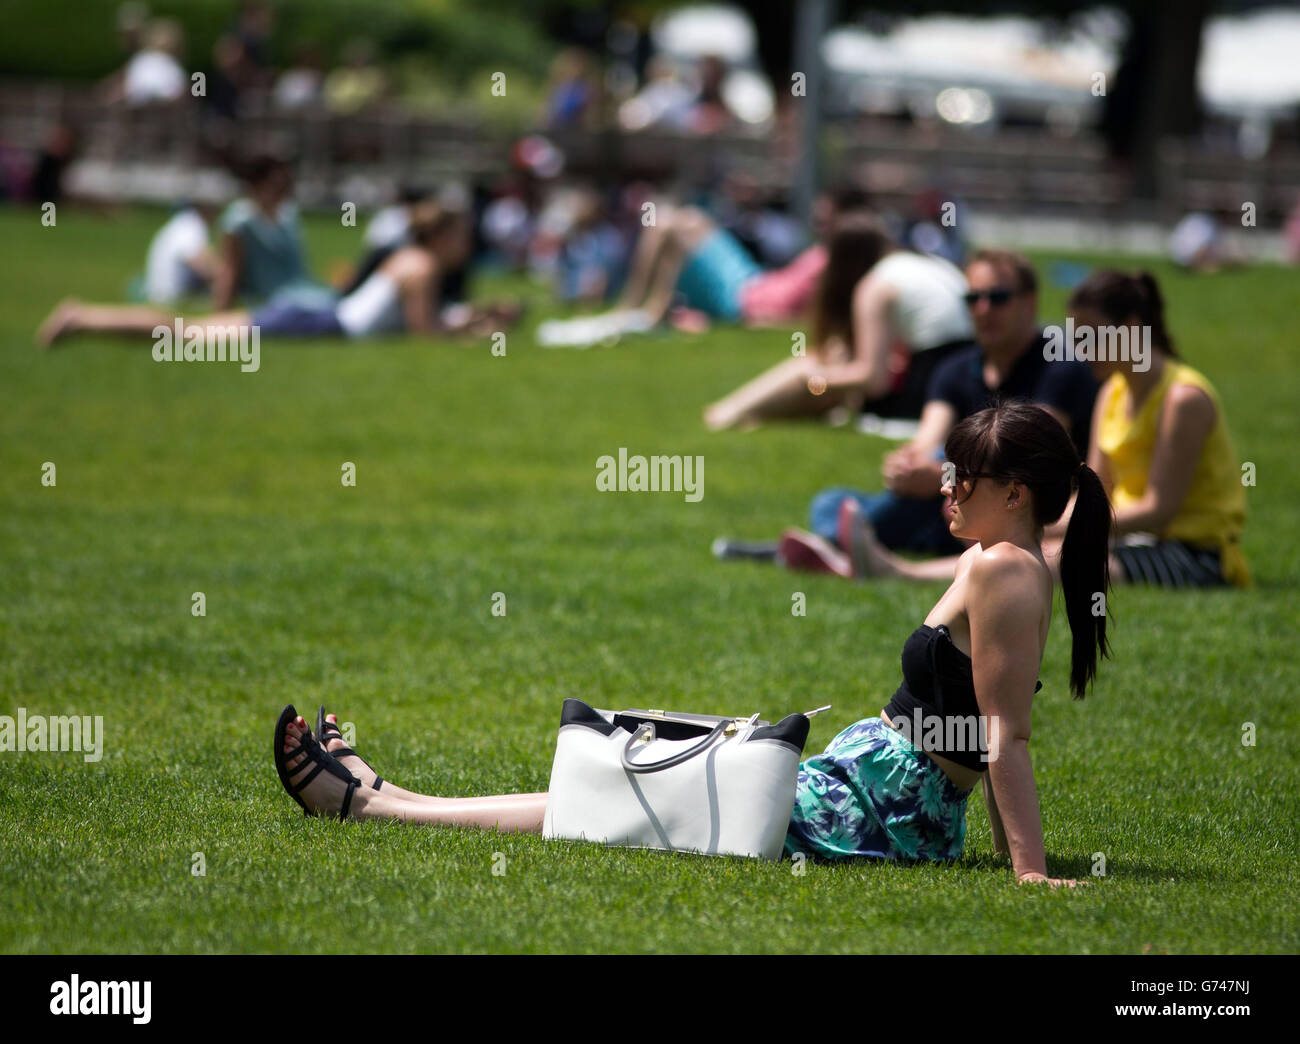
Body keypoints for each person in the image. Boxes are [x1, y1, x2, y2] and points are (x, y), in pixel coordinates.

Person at [273, 402, 1109, 887]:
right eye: (950, 470)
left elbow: (1005, 739)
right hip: (866, 784)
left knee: (642, 795)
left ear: (1017, 491)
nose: (948, 487)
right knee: (653, 765)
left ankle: (370, 804)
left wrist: (1027, 874)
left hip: (880, 813)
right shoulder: (999, 561)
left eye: (965, 477)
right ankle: (381, 793)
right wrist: (1011, 861)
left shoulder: (1005, 571)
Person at [840, 270, 1250, 589]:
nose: (1081, 349)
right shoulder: (1113, 393)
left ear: (1130, 327)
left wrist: (1045, 525)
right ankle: (896, 569)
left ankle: (901, 573)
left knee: (1055, 558)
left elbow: (1159, 510)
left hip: (1193, 555)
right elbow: (1098, 492)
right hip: (1132, 539)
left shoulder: (1183, 399)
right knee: (1024, 548)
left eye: (1090, 336)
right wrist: (1031, 524)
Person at [714, 249, 1097, 567]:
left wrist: (939, 475)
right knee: (832, 500)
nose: (983, 309)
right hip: (955, 503)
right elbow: (928, 437)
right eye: (972, 299)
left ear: (1029, 303)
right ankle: (845, 543)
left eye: (997, 298)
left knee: (882, 507)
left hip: (1023, 508)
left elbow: (1032, 460)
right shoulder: (956, 369)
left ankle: (823, 548)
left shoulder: (1057, 365)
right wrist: (907, 465)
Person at [37, 204, 513, 346]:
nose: (467, 246)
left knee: (187, 333)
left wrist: (475, 319)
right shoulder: (423, 266)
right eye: (462, 237)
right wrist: (478, 331)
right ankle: (82, 317)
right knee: (187, 337)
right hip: (320, 323)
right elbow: (422, 333)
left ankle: (85, 318)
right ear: (442, 237)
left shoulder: (411, 258)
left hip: (316, 314)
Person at [702, 213, 974, 427]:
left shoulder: (875, 284)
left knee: (814, 367)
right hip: (968, 379)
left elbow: (872, 378)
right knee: (830, 364)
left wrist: (813, 381)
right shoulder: (928, 264)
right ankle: (737, 413)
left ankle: (731, 413)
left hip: (931, 393)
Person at [535, 186, 869, 347]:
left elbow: (823, 315)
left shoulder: (838, 262)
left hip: (743, 298)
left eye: (826, 218)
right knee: (682, 224)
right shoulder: (831, 254)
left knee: (668, 224)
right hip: (754, 282)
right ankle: (649, 309)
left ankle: (634, 307)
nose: (818, 223)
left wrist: (763, 323)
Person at [211, 155, 334, 312]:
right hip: (272, 301)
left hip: (302, 291)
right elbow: (229, 271)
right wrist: (219, 317)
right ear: (257, 185)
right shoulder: (239, 222)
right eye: (276, 184)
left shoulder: (288, 216)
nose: (282, 190)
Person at [138, 202, 216, 304]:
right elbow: (196, 260)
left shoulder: (181, 223)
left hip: (159, 293)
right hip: (174, 296)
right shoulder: (191, 225)